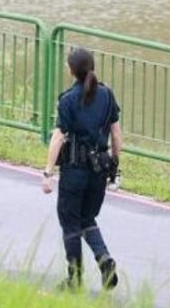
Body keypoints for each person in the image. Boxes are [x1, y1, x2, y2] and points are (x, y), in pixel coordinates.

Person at [42, 48, 122, 291]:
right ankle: (103, 257)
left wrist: (48, 173)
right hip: (99, 170)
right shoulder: (107, 95)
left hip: (74, 171)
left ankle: (74, 279)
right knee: (87, 218)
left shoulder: (67, 100)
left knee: (70, 223)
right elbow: (117, 134)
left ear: (71, 70)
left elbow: (58, 138)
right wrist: (115, 167)